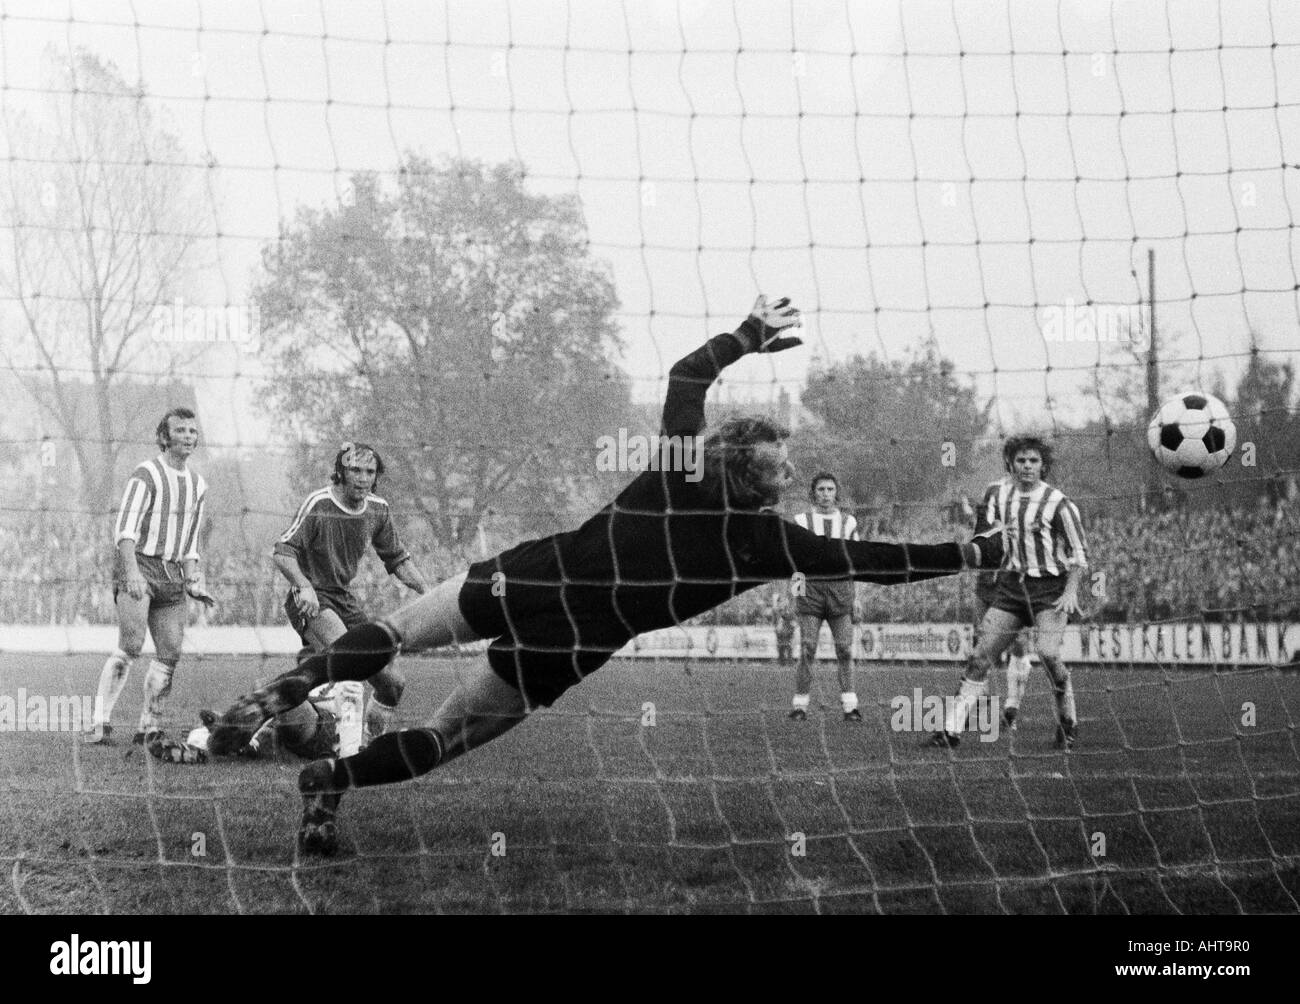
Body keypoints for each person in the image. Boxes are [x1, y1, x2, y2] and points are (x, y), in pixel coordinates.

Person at [211, 296, 1003, 855]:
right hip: (578, 638)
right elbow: (873, 562)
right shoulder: (769, 542)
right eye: (781, 463)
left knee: (392, 634)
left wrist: (748, 334)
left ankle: (289, 693)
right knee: (445, 735)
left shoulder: (683, 474)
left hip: (539, 575)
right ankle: (329, 778)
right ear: (749, 468)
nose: (790, 472)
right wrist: (965, 553)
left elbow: (688, 379)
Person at [247, 442, 429, 754]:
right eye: (355, 470)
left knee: (392, 683)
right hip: (311, 598)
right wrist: (303, 586)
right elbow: (283, 551)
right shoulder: (319, 503)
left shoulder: (378, 509)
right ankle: (349, 752)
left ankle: (363, 740)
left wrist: (430, 594)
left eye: (369, 471)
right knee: (350, 664)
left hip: (344, 601)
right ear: (340, 472)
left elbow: (398, 560)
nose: (362, 477)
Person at [931, 436, 1088, 749]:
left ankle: (1067, 718)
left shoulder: (1059, 503)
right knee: (980, 656)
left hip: (1049, 589)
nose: (1027, 466)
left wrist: (1071, 591)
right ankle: (951, 730)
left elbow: (1079, 553)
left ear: (1043, 466)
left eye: (1033, 461)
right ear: (1010, 463)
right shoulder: (997, 493)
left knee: (1048, 653)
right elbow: (984, 530)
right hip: (1011, 588)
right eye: (1021, 461)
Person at [85, 408, 215, 745]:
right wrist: (131, 572)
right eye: (181, 430)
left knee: (170, 651)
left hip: (172, 572)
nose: (188, 436)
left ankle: (148, 727)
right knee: (131, 643)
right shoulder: (146, 474)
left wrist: (193, 580)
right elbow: (125, 529)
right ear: (164, 437)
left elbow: (190, 539)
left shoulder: (198, 484)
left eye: (192, 431)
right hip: (140, 563)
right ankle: (99, 723)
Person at [788, 473, 862, 722]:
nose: (826, 493)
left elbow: (855, 562)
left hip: (841, 590)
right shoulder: (801, 520)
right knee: (808, 648)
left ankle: (850, 706)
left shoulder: (848, 522)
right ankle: (800, 705)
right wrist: (796, 596)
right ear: (813, 493)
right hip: (811, 591)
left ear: (836, 493)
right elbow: (794, 561)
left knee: (844, 649)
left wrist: (857, 597)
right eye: (821, 489)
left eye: (830, 489)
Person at [970, 473, 1038, 731]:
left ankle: (1012, 708)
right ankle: (978, 702)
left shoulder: (1036, 495)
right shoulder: (993, 490)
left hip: (1014, 579)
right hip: (987, 578)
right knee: (980, 639)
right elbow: (980, 532)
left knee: (1018, 644)